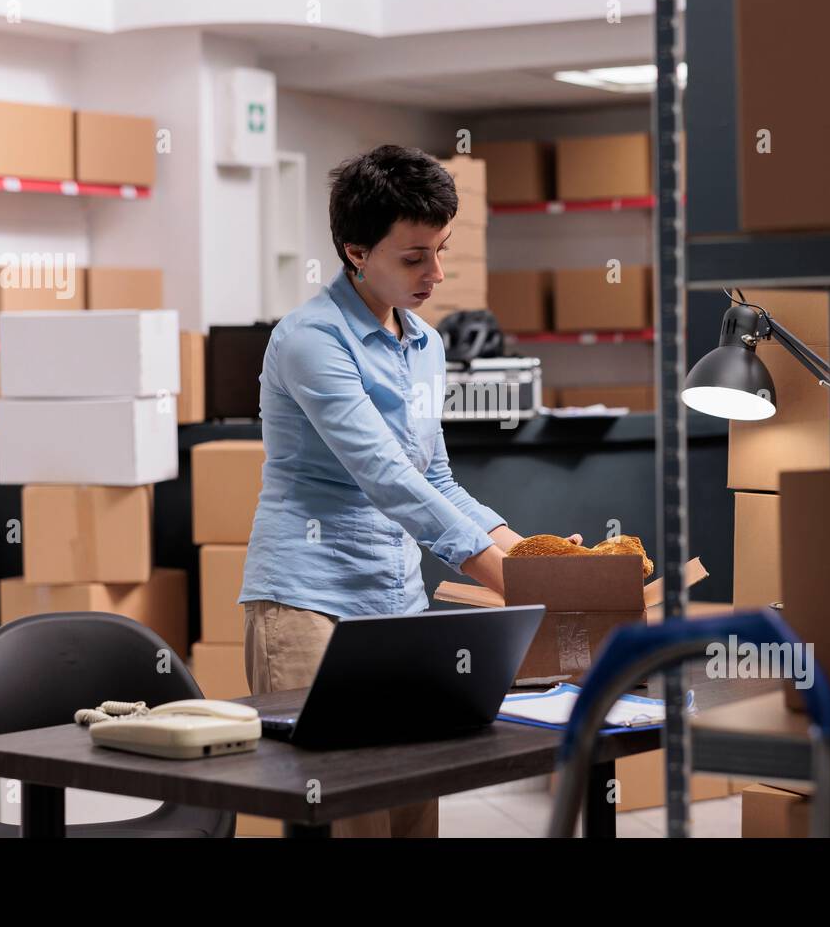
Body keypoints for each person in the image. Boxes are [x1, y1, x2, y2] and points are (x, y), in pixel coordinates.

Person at [237, 144, 578, 838]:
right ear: (355, 250)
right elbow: (384, 476)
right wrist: (509, 579)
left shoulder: (424, 344)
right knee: (351, 816)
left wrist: (536, 557)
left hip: (398, 607)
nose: (437, 274)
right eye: (414, 257)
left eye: (442, 250)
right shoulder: (310, 340)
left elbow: (434, 477)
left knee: (416, 808)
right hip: (311, 604)